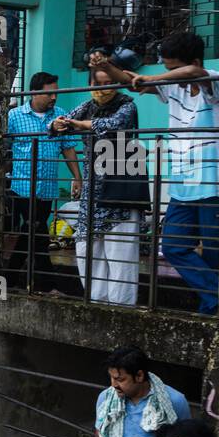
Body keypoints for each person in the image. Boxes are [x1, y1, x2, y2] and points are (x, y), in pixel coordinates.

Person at [94, 32, 219, 314]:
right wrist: (106, 66)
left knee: (214, 254)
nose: (169, 75)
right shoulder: (173, 86)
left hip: (215, 185)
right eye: (165, 69)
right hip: (182, 183)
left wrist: (151, 79)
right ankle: (217, 298)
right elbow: (129, 81)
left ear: (194, 61)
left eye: (172, 68)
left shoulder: (216, 79)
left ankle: (213, 307)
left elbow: (194, 72)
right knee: (174, 246)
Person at [51, 64, 142, 305]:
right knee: (87, 248)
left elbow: (113, 125)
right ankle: (96, 300)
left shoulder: (126, 104)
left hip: (119, 180)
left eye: (107, 83)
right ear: (91, 85)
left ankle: (121, 307)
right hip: (93, 186)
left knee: (120, 251)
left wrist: (80, 125)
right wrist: (57, 124)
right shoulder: (88, 106)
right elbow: (63, 121)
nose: (103, 89)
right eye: (97, 84)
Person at [4, 72, 83, 293]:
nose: (54, 97)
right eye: (49, 93)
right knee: (36, 229)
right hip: (22, 186)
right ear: (35, 92)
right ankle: (48, 285)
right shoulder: (15, 116)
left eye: (55, 93)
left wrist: (77, 177)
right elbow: (3, 145)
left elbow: (68, 148)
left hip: (47, 187)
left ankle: (8, 280)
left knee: (31, 230)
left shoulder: (60, 115)